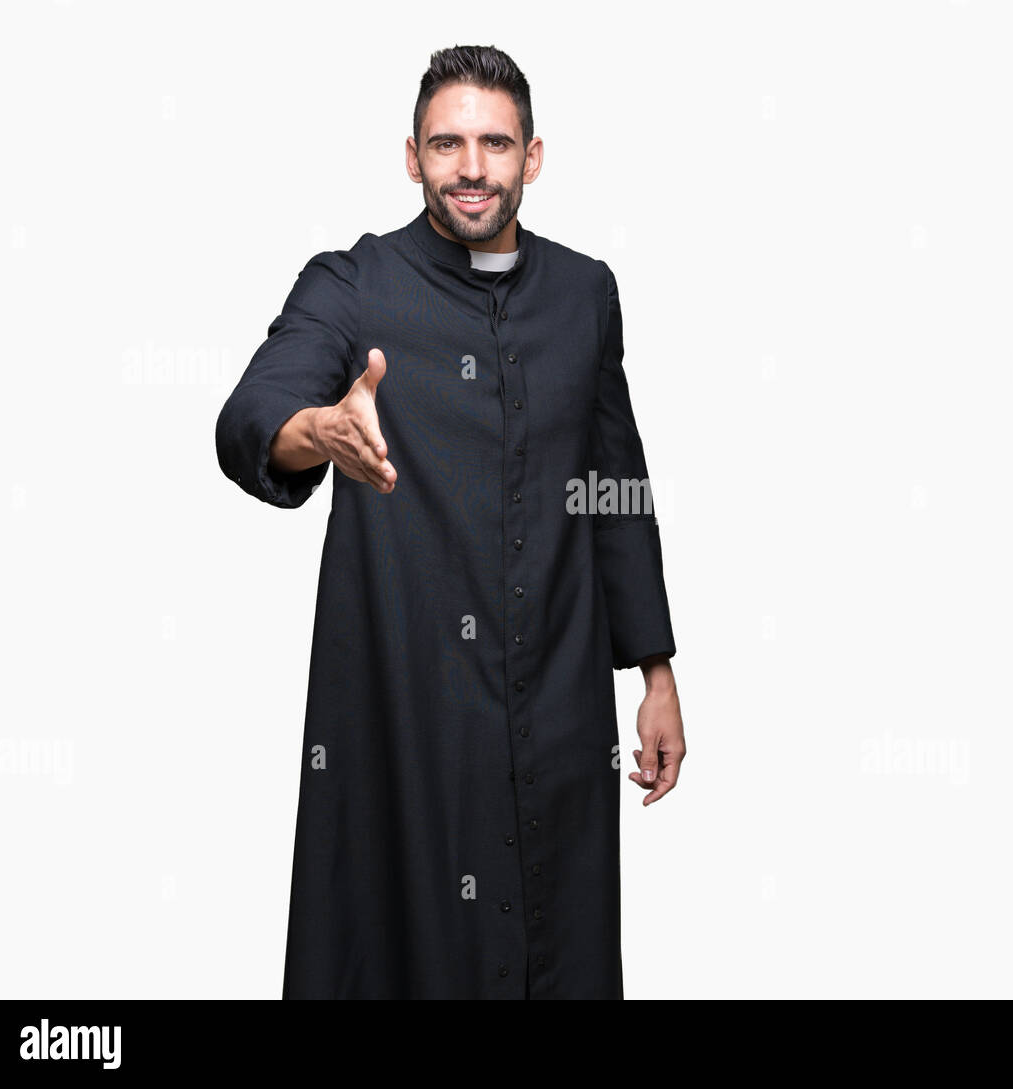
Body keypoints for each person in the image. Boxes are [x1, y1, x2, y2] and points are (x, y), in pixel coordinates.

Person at [214, 44, 685, 999]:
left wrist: (657, 671)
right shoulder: (352, 285)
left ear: (534, 158)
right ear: (411, 155)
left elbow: (616, 490)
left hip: (559, 703)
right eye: (448, 144)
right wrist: (318, 430)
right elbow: (249, 416)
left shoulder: (586, 293)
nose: (472, 167)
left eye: (495, 144)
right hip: (407, 713)